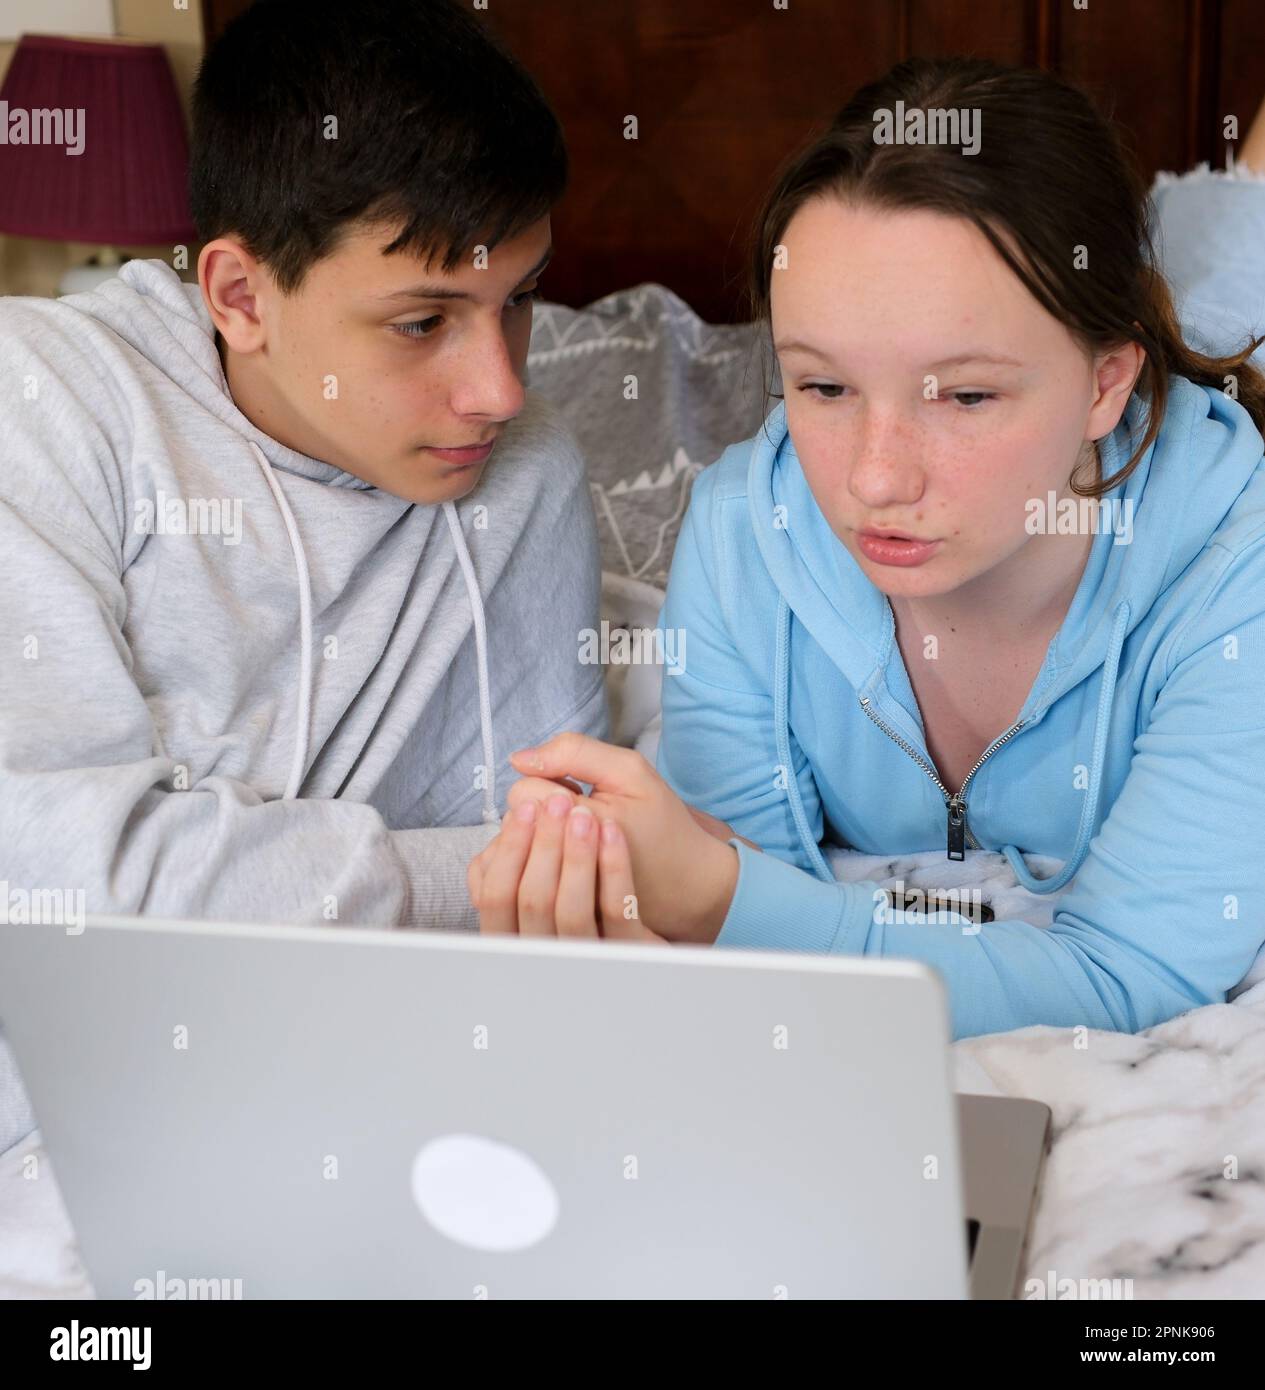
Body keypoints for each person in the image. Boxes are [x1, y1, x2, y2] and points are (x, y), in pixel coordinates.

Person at [469, 57, 1265, 1040]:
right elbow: (749, 885)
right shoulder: (740, 536)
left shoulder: (1234, 576)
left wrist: (719, 904)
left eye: (965, 395)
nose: (873, 481)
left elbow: (1126, 973)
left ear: (1104, 383)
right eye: (823, 387)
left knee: (1236, 267)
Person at [0, 0, 607, 932]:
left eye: (520, 298)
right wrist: (443, 878)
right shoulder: (43, 401)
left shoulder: (525, 471)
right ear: (241, 296)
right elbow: (56, 887)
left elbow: (554, 868)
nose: (500, 391)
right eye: (422, 322)